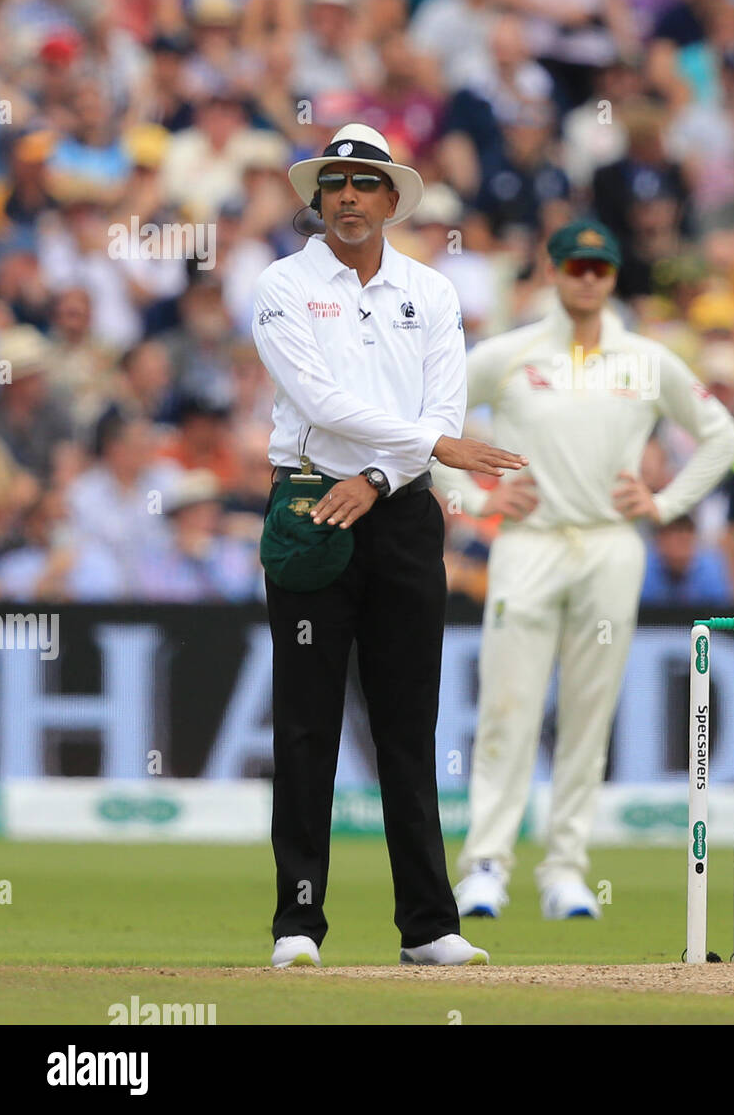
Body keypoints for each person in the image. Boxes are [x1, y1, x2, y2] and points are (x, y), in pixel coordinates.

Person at [250, 121, 527, 969]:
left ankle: (428, 925)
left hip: (397, 510)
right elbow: (321, 399)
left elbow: (447, 408)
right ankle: (298, 923)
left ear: (393, 199)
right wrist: (431, 448)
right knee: (307, 722)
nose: (347, 197)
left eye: (365, 184)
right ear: (317, 197)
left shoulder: (431, 293)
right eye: (334, 184)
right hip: (310, 504)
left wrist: (379, 477)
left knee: (410, 722)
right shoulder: (282, 285)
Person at [433, 219, 734, 920]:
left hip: (610, 544)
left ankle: (566, 868)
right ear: (555, 271)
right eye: (575, 267)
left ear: (612, 276)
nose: (587, 279)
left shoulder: (645, 359)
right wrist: (475, 497)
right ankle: (485, 863)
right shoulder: (507, 355)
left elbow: (722, 436)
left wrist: (664, 503)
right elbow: (428, 428)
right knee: (509, 709)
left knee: (588, 710)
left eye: (599, 270)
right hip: (528, 543)